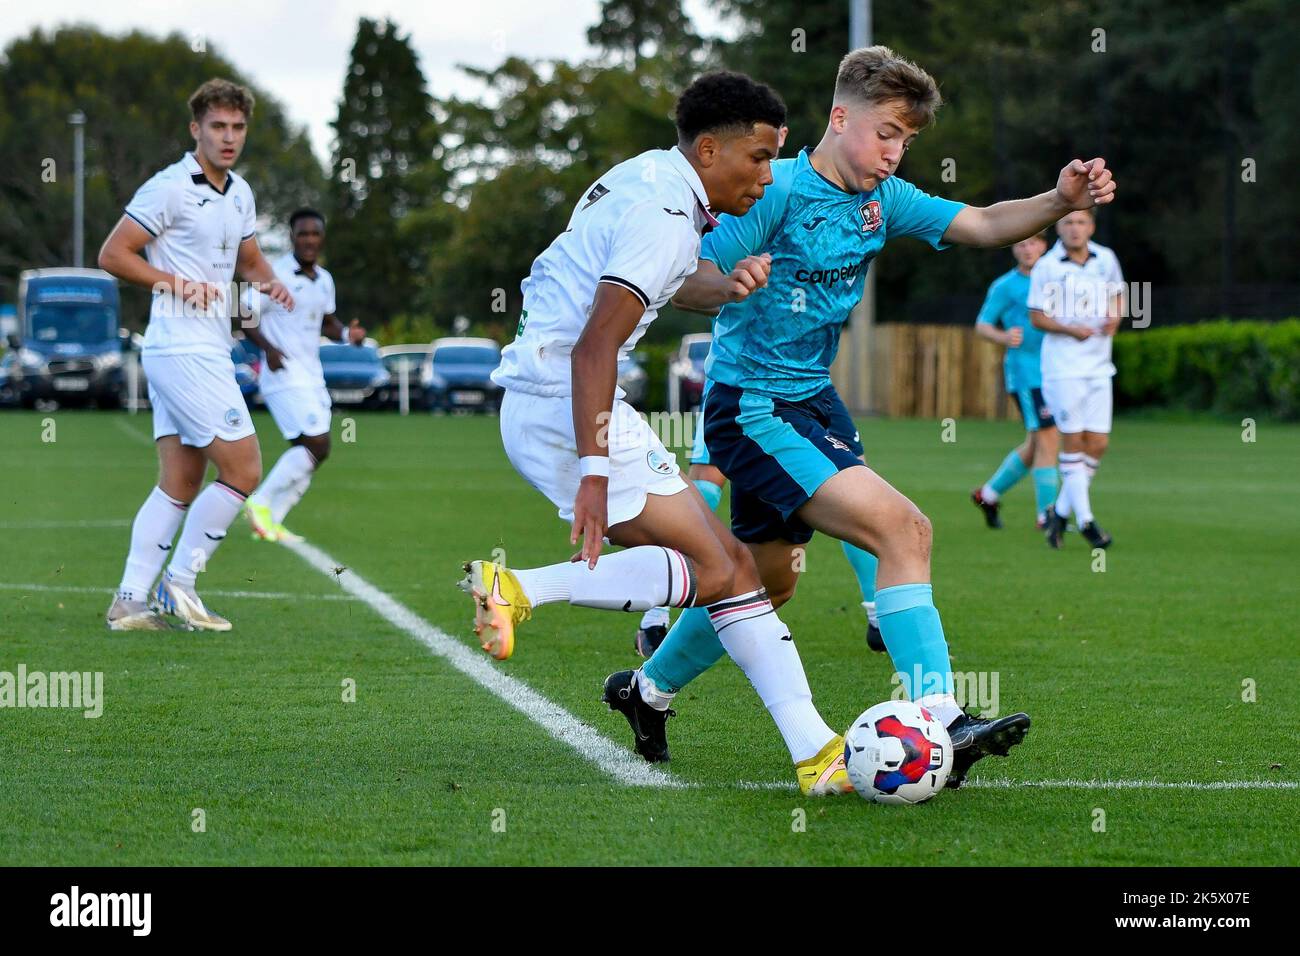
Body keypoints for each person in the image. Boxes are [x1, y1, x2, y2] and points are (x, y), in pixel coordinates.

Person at [610, 46, 1117, 788]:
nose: (895, 151)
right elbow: (684, 271)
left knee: (765, 581)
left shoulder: (886, 202)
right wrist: (729, 282)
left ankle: (644, 691)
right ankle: (942, 716)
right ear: (840, 118)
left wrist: (1059, 198)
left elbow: (981, 224)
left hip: (812, 400)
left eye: (906, 141)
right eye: (886, 133)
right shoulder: (773, 189)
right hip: (752, 406)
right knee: (905, 527)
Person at [460, 72, 857, 795]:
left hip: (543, 398)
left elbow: (676, 283)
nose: (768, 177)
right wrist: (593, 469)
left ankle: (816, 750)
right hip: (572, 397)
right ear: (710, 149)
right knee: (721, 569)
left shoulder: (653, 177)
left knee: (728, 571)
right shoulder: (666, 212)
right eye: (759, 157)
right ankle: (519, 587)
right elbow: (595, 346)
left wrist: (730, 283)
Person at [100, 78, 293, 632]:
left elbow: (250, 261)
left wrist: (275, 284)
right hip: (181, 348)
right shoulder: (168, 188)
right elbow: (114, 253)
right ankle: (178, 585)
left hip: (204, 346)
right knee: (245, 466)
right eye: (218, 127)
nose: (229, 137)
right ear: (196, 129)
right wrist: (173, 283)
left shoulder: (241, 193)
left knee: (182, 481)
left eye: (237, 127)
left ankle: (128, 600)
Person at [242, 208, 366, 542]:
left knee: (314, 450)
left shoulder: (324, 279)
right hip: (282, 374)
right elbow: (243, 314)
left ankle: (272, 522)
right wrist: (268, 349)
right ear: (292, 237)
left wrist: (346, 336)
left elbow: (328, 320)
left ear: (322, 238)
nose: (309, 240)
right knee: (317, 444)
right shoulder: (273, 274)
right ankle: (261, 502)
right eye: (302, 234)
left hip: (312, 375)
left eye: (314, 234)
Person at [1030, 209, 1125, 549]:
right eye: (1068, 222)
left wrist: (1115, 316)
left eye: (1081, 222)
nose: (1075, 229)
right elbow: (1037, 316)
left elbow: (1118, 295)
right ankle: (1086, 522)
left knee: (1097, 442)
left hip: (1100, 366)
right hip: (1063, 368)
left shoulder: (1106, 258)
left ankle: (1060, 512)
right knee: (1073, 440)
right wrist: (1069, 329)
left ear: (1092, 227)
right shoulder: (1047, 266)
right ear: (1059, 226)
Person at [971, 232, 1060, 530]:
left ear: (1044, 246)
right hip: (1026, 373)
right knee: (1049, 439)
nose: (1028, 249)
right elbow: (982, 325)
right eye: (1022, 244)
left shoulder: (1057, 278)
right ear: (1014, 249)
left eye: (1034, 243)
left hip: (1056, 371)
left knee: (1037, 443)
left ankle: (987, 494)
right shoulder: (1005, 286)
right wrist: (1003, 336)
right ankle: (1047, 516)